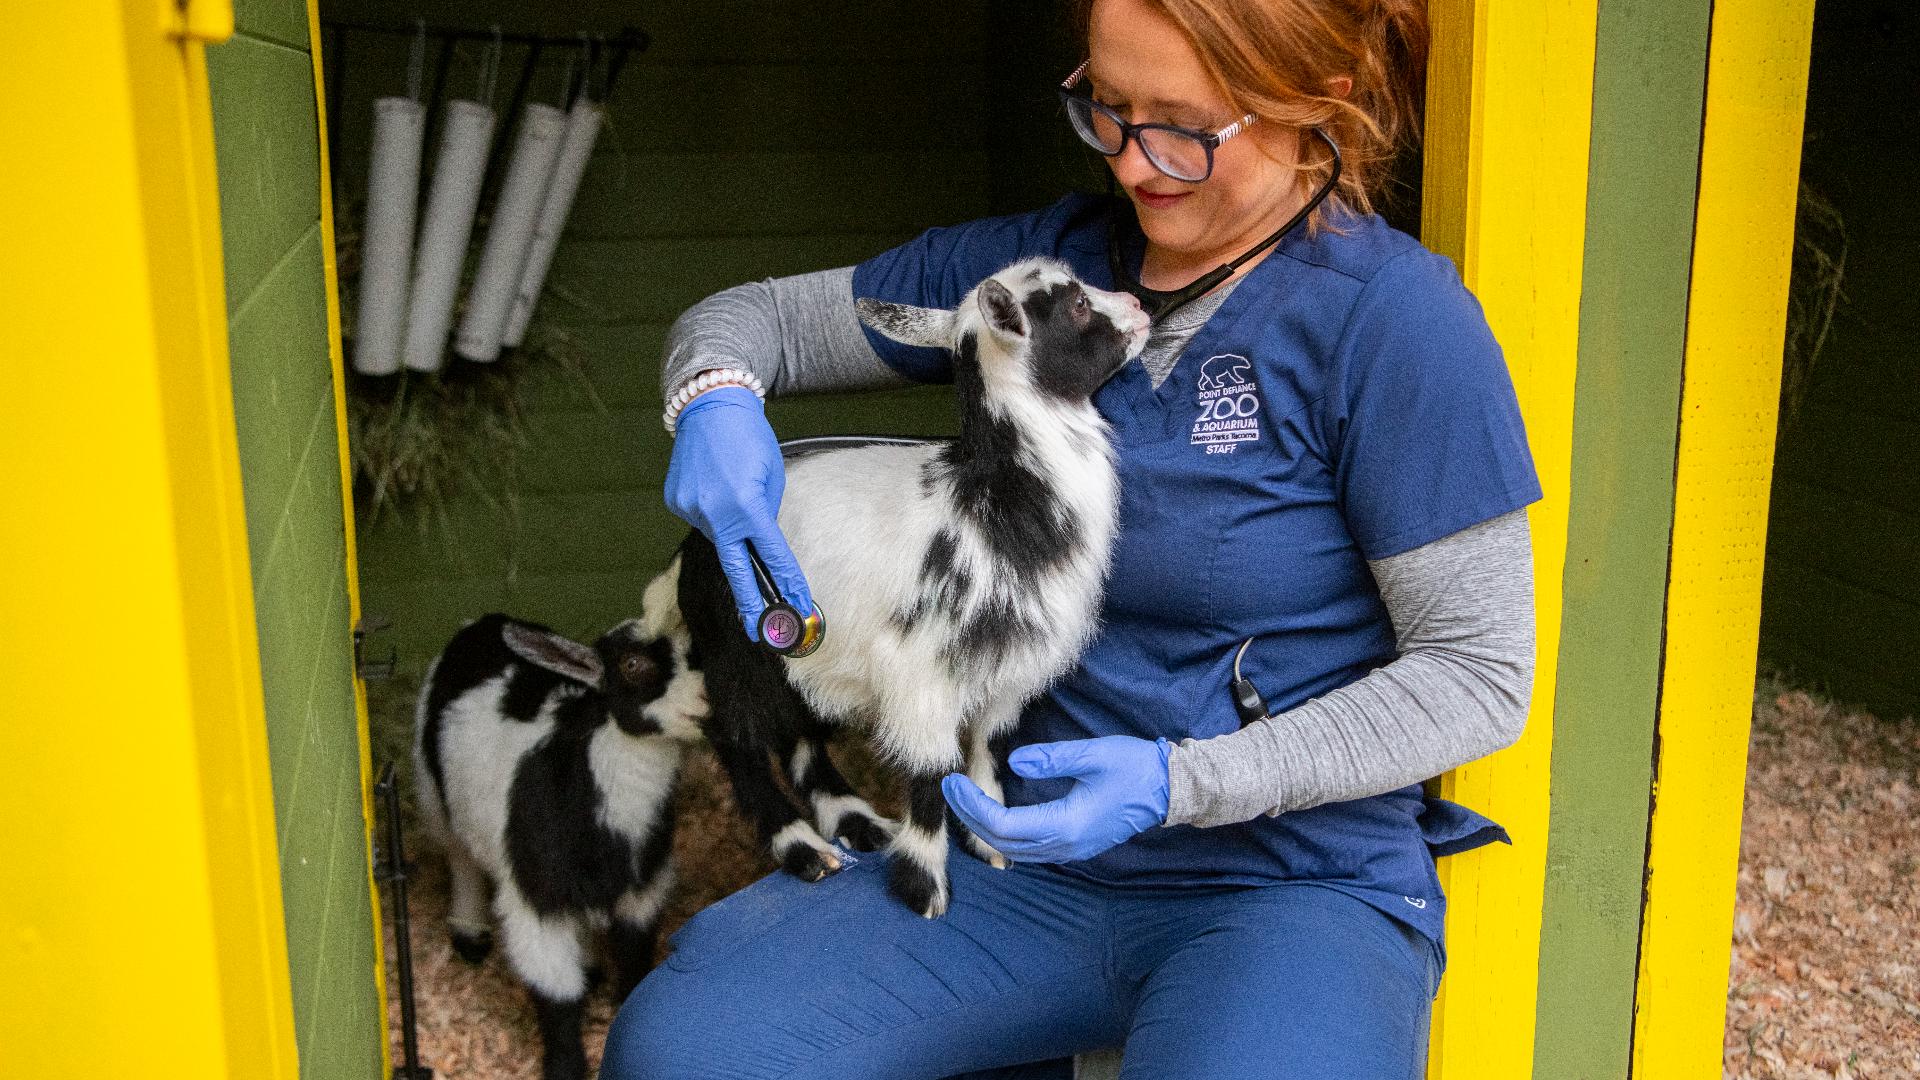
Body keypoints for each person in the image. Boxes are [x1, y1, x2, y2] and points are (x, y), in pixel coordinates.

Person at [602, 0, 1541, 1075]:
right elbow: (753, 318)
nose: (1137, 165)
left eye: (1183, 127)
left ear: (1311, 107)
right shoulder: (1037, 272)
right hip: (1015, 858)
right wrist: (715, 398)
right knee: (685, 1053)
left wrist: (1182, 782)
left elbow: (1477, 675)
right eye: (1108, 108)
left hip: (1285, 880)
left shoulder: (1395, 323)